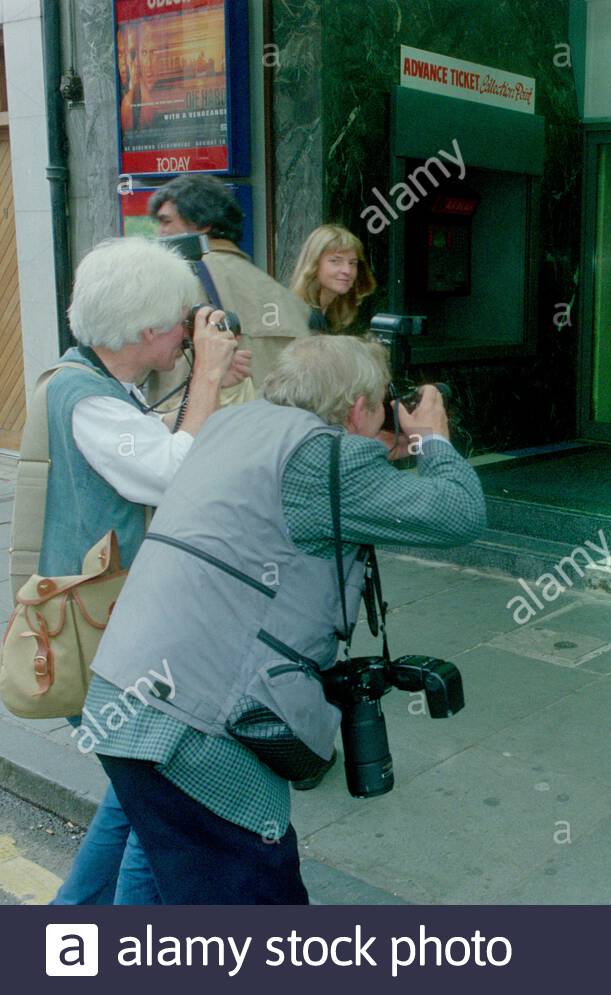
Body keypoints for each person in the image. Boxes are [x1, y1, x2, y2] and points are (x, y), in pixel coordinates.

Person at [82, 335, 487, 904]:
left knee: (165, 870)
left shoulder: (235, 424)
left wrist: (373, 452)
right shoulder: (325, 459)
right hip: (197, 732)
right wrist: (433, 442)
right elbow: (460, 514)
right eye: (379, 401)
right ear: (354, 409)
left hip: (124, 696)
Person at [40, 237, 241, 904]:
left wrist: (207, 382)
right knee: (156, 801)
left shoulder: (102, 384)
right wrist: (206, 377)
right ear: (148, 330)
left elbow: (151, 444)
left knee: (137, 795)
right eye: (183, 319)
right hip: (107, 645)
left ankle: (70, 926)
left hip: (118, 634)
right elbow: (173, 473)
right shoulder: (88, 399)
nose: (190, 328)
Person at [147, 174, 311, 407]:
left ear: (202, 224)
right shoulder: (283, 297)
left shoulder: (180, 285)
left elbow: (170, 394)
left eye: (166, 222)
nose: (160, 234)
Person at [288, 224, 378, 333]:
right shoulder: (303, 317)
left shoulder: (331, 312)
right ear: (314, 264)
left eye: (352, 263)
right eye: (335, 261)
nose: (347, 270)